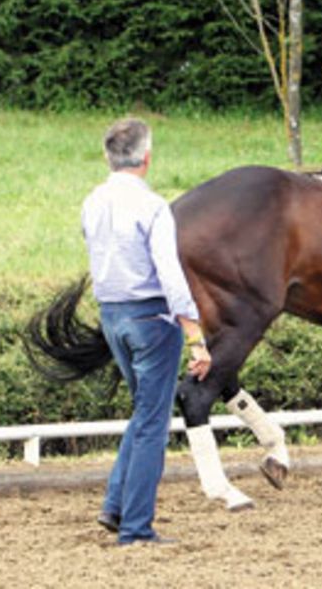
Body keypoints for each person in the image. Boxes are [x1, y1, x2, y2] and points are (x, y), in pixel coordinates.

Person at [83, 118, 211, 545]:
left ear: (108, 156)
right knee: (153, 423)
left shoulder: (92, 201)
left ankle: (116, 506)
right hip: (151, 320)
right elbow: (171, 276)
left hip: (112, 315)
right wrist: (195, 335)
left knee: (143, 414)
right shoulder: (154, 206)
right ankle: (136, 528)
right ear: (148, 157)